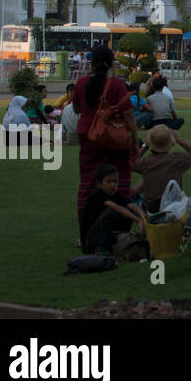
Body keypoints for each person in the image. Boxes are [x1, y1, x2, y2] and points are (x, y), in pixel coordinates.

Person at [72, 44, 139, 249]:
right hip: (114, 141)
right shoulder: (117, 85)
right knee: (119, 185)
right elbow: (128, 114)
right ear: (112, 64)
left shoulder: (81, 83)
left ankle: (86, 235)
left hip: (89, 138)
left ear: (91, 63)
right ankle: (119, 232)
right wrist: (134, 137)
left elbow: (76, 108)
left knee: (89, 186)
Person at [81, 163, 146, 255]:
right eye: (108, 181)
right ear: (99, 184)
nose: (113, 185)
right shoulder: (97, 195)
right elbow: (116, 208)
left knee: (129, 211)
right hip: (91, 242)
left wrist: (144, 217)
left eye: (115, 181)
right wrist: (138, 220)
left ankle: (121, 243)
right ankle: (100, 250)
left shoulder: (116, 194)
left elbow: (131, 204)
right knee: (112, 212)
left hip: (104, 234)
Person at [134, 125, 191, 213]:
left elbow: (131, 161)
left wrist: (145, 146)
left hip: (151, 207)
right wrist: (179, 140)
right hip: (174, 206)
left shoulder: (145, 162)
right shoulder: (177, 160)